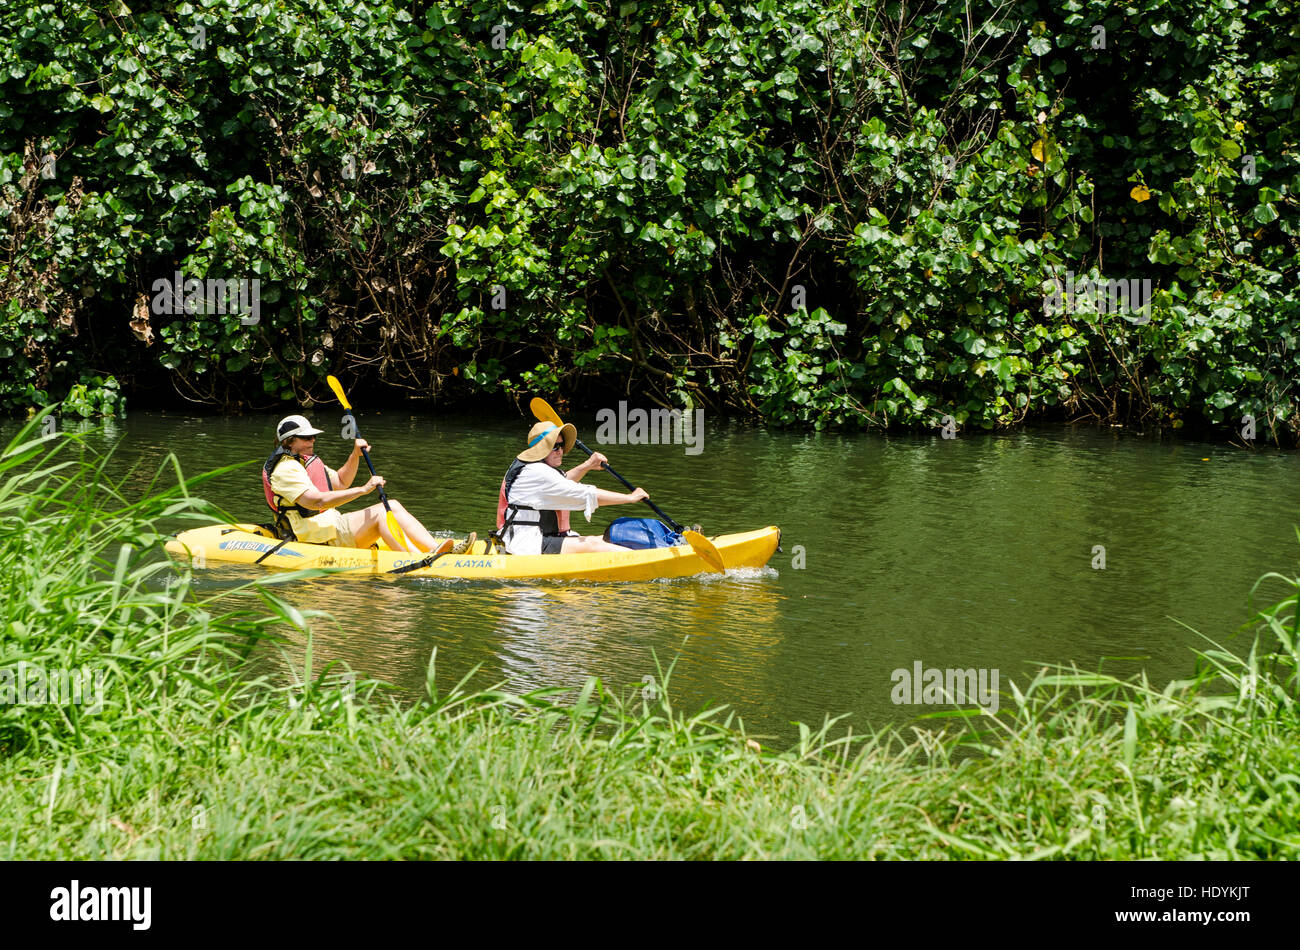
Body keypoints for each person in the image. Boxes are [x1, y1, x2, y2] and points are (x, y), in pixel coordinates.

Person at [262, 414, 474, 555]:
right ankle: (418, 560)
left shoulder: (303, 462)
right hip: (313, 537)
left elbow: (341, 482)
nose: (313, 441)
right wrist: (364, 490)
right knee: (380, 514)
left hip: (328, 527)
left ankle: (436, 550)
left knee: (393, 505)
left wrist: (355, 455)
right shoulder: (286, 469)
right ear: (289, 441)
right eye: (307, 438)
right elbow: (313, 501)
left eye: (313, 437)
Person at [494, 421, 649, 555]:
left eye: (561, 446)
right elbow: (583, 494)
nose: (561, 451)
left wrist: (588, 465)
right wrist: (630, 498)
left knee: (599, 539)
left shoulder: (534, 468)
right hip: (525, 543)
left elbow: (562, 483)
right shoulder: (536, 472)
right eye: (555, 447)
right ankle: (645, 561)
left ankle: (644, 553)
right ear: (541, 450)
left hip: (540, 537)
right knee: (592, 545)